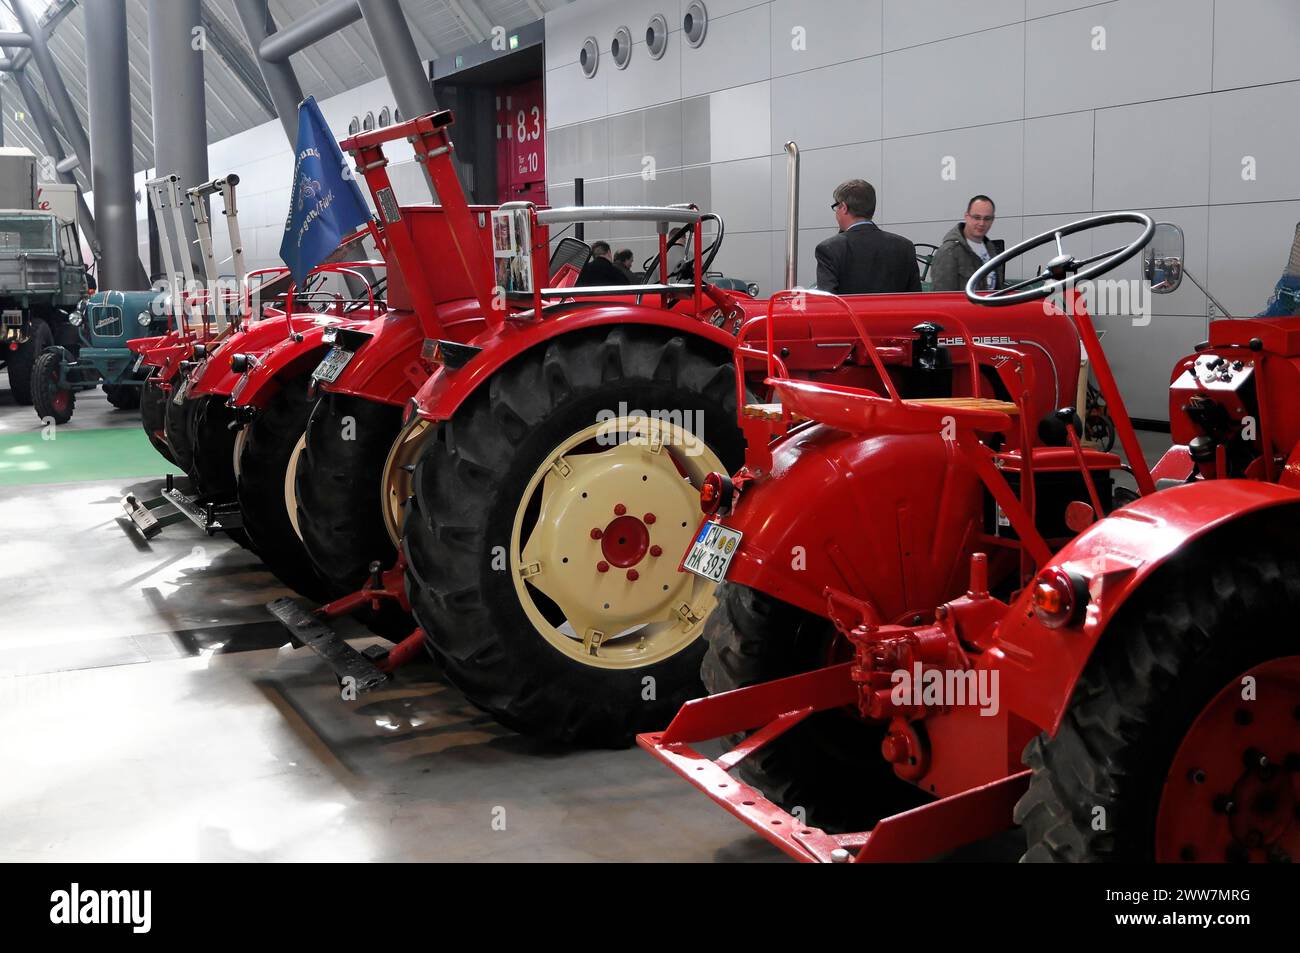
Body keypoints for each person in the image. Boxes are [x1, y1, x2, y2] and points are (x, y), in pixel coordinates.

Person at [814, 179, 921, 294]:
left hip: (852, 312)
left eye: (836, 206)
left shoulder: (829, 249)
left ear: (844, 207)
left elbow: (828, 303)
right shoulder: (905, 247)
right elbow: (916, 299)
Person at [929, 195, 1005, 292]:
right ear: (966, 217)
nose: (981, 223)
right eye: (977, 217)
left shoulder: (990, 248)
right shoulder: (949, 252)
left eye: (987, 218)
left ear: (992, 220)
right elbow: (943, 299)